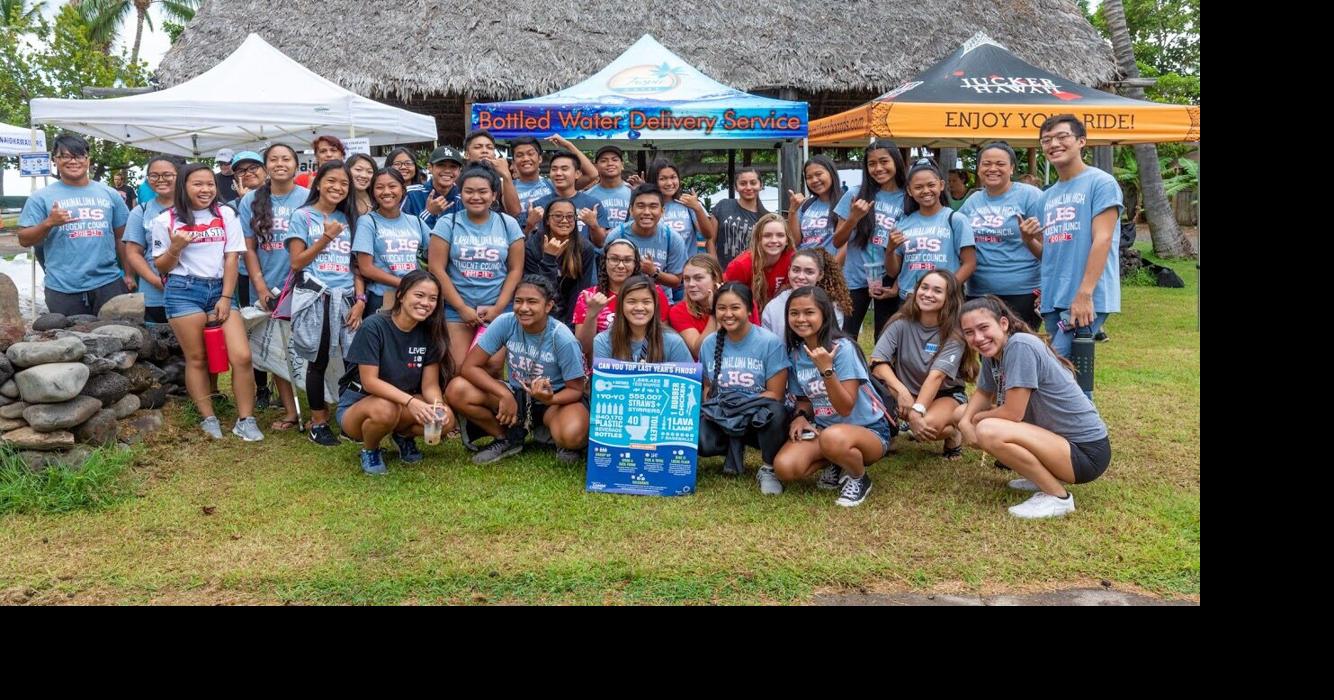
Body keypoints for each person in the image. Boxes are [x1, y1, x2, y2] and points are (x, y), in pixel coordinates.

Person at [956, 296, 1112, 518]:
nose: (978, 338)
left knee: (987, 429)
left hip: (1085, 453)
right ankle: (1039, 475)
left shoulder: (1020, 346)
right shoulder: (993, 352)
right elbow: (983, 392)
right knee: (961, 413)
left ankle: (1057, 498)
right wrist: (964, 421)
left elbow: (1012, 413)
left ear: (1003, 324)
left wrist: (976, 421)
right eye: (969, 332)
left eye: (983, 328)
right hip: (1059, 444)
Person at [148, 162, 262, 441]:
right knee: (197, 358)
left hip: (219, 290)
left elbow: (232, 257)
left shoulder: (225, 214)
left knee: (242, 356)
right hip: (182, 291)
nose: (206, 189)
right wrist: (175, 247)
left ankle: (246, 419)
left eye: (210, 184)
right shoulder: (165, 220)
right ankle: (208, 417)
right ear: (184, 187)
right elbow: (162, 266)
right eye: (198, 184)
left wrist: (226, 296)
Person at [447, 275, 589, 465]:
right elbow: (470, 367)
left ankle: (559, 439)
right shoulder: (506, 322)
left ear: (548, 306)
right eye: (518, 301)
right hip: (516, 395)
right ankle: (506, 438)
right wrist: (503, 394)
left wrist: (550, 398)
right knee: (457, 389)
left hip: (555, 400)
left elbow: (576, 389)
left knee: (572, 434)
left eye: (532, 302)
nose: (523, 308)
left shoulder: (562, 337)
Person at [772, 286, 890, 506]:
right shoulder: (797, 354)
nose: (801, 319)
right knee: (785, 467)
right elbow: (804, 400)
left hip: (869, 431)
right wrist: (799, 416)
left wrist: (827, 370)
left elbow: (845, 407)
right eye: (794, 313)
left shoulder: (843, 349)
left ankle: (858, 477)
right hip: (825, 431)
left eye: (809, 312)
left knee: (832, 438)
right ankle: (837, 461)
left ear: (824, 314)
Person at [1021, 114, 1122, 365]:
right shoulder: (1047, 197)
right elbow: (1049, 254)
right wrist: (1027, 238)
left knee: (1055, 367)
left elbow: (1103, 239)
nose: (1053, 144)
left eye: (1062, 137)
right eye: (1046, 140)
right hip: (1054, 296)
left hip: (1085, 297)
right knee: (1067, 376)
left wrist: (1084, 294)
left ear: (1081, 141)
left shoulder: (1100, 183)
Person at [335, 269, 455, 475]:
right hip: (359, 406)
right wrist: (411, 402)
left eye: (432, 298)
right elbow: (370, 382)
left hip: (401, 403)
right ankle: (370, 450)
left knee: (446, 420)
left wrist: (439, 406)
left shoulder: (430, 332)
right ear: (400, 295)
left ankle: (402, 436)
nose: (426, 303)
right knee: (385, 408)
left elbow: (429, 385)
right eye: (419, 295)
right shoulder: (374, 326)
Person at [285, 160, 367, 446]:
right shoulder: (302, 216)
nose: (337, 187)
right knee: (317, 360)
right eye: (331, 181)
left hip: (346, 298)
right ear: (318, 183)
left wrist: (360, 300)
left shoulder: (352, 219)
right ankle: (318, 422)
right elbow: (297, 262)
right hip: (315, 297)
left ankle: (349, 417)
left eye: (344, 184)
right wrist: (325, 238)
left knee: (354, 361)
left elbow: (356, 265)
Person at [17, 133, 131, 316]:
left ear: (88, 159)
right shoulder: (40, 197)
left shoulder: (110, 194)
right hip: (63, 289)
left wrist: (128, 274)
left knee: (118, 338)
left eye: (78, 156)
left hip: (109, 284)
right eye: (65, 156)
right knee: (71, 342)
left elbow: (123, 238)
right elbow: (24, 239)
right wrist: (48, 223)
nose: (73, 161)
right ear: (55, 160)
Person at [427, 165, 526, 370]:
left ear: (494, 195)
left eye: (482, 192)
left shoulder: (508, 224)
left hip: (497, 309)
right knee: (458, 369)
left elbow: (515, 270)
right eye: (469, 191)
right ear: (460, 193)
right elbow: (436, 269)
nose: (476, 197)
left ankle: (501, 401)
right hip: (456, 309)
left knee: (491, 367)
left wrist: (498, 308)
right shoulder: (448, 222)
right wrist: (462, 308)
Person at [870, 270, 975, 460]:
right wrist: (902, 392)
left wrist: (917, 411)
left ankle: (952, 432)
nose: (927, 294)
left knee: (927, 427)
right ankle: (891, 430)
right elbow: (877, 363)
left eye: (937, 291)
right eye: (924, 287)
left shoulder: (955, 334)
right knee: (875, 390)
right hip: (904, 392)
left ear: (949, 298)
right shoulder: (900, 323)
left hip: (943, 394)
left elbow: (937, 376)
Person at [238, 143, 306, 431]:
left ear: (296, 164)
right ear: (266, 166)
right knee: (279, 350)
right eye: (274, 159)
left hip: (304, 285)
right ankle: (291, 411)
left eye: (286, 158)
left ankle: (320, 405)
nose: (280, 163)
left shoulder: (308, 196)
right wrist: (261, 287)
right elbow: (248, 249)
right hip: (266, 286)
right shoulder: (250, 201)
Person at [697, 282, 788, 479]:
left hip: (757, 418)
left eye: (735, 307)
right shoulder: (709, 344)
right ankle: (730, 443)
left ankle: (768, 467)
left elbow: (776, 394)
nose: (728, 314)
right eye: (721, 308)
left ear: (748, 310)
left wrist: (739, 406)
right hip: (723, 415)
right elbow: (708, 389)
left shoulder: (769, 342)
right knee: (700, 440)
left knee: (777, 413)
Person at [959, 141, 1044, 328]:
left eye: (1000, 164)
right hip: (979, 293)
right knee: (985, 347)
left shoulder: (1031, 196)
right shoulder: (973, 201)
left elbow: (1051, 251)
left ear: (1012, 168)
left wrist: (1049, 288)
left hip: (1023, 292)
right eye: (986, 164)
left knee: (1019, 348)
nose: (992, 169)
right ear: (979, 169)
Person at [833, 140, 906, 341]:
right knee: (845, 338)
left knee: (885, 340)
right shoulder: (855, 194)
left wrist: (897, 285)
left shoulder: (908, 198)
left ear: (896, 162)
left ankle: (879, 373)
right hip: (855, 278)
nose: (878, 168)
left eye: (884, 161)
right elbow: (838, 241)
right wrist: (853, 218)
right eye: (872, 164)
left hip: (889, 278)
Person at [883, 158, 976, 305]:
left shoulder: (956, 219)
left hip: (945, 301)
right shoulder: (902, 224)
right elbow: (892, 272)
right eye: (918, 187)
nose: (926, 191)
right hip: (909, 299)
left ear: (941, 185)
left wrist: (946, 289)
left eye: (931, 185)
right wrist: (889, 250)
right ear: (909, 191)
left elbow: (969, 263)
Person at [573, 238, 669, 357]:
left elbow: (663, 339)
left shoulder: (654, 293)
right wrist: (592, 313)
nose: (621, 266)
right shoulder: (588, 296)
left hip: (646, 366)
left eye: (628, 260)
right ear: (605, 262)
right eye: (614, 259)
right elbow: (583, 348)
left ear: (636, 264)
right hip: (602, 368)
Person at [353, 168, 432, 312]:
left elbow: (436, 252)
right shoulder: (367, 221)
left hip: (415, 296)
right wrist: (404, 283)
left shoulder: (416, 222)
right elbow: (366, 268)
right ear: (373, 192)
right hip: (382, 296)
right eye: (379, 187)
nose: (386, 192)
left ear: (402, 190)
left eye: (392, 186)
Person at [123, 155, 179, 324]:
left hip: (194, 292)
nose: (160, 180)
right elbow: (133, 253)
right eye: (154, 176)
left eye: (167, 175)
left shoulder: (195, 208)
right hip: (155, 295)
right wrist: (156, 282)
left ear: (179, 176)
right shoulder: (141, 211)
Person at [523, 197, 595, 326]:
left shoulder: (584, 248)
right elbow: (538, 291)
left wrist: (569, 327)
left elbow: (580, 292)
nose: (564, 221)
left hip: (569, 315)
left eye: (570, 216)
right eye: (557, 216)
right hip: (539, 314)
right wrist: (549, 258)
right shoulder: (532, 246)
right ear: (547, 220)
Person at [592, 274, 693, 364]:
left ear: (655, 305)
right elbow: (601, 383)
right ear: (621, 306)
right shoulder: (603, 341)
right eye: (631, 302)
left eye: (646, 302)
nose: (639, 308)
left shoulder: (673, 341)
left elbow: (689, 382)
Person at [760, 247, 849, 336]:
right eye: (796, 270)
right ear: (789, 271)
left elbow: (832, 340)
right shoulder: (773, 307)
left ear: (820, 275)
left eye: (809, 272)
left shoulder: (831, 306)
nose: (801, 277)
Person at [528, 150, 608, 248]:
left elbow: (600, 243)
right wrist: (530, 224)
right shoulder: (538, 205)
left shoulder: (593, 204)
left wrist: (594, 225)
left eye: (564, 169)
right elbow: (528, 243)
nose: (558, 173)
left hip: (582, 261)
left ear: (577, 174)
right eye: (554, 169)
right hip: (547, 260)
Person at [723, 213, 795, 321]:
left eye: (780, 235)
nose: (774, 240)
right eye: (767, 235)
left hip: (777, 316)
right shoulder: (741, 265)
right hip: (746, 319)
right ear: (758, 239)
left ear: (787, 240)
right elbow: (726, 299)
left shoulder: (792, 260)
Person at [647, 158, 716, 255]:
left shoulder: (688, 202)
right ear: (654, 181)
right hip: (657, 265)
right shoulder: (646, 206)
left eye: (673, 177)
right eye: (662, 179)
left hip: (687, 267)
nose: (669, 183)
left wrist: (697, 208)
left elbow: (708, 235)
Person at [711, 167, 769, 270]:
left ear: (761, 185)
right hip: (722, 272)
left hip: (752, 273)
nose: (748, 187)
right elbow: (710, 241)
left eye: (753, 183)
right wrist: (716, 269)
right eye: (743, 183)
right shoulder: (723, 205)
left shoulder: (766, 218)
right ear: (736, 187)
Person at [668, 254, 723, 359]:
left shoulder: (738, 302)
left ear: (715, 278)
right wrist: (713, 312)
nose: (691, 284)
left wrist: (721, 305)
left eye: (698, 278)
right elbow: (699, 351)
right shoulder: (679, 311)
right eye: (687, 279)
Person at [787, 155, 841, 254]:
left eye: (818, 174)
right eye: (809, 177)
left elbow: (847, 243)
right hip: (805, 265)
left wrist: (833, 268)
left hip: (831, 266)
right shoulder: (805, 205)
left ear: (831, 173)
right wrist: (793, 211)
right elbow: (794, 242)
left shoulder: (844, 202)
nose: (814, 180)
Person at [402, 145, 464, 229]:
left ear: (459, 171)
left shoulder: (464, 197)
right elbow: (403, 231)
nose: (447, 170)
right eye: (441, 165)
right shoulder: (412, 193)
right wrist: (429, 212)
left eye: (453, 166)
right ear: (430, 168)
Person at [584, 145, 633, 229]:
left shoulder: (634, 193)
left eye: (615, 160)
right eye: (604, 161)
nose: (610, 164)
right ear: (596, 167)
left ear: (622, 165)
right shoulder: (587, 196)